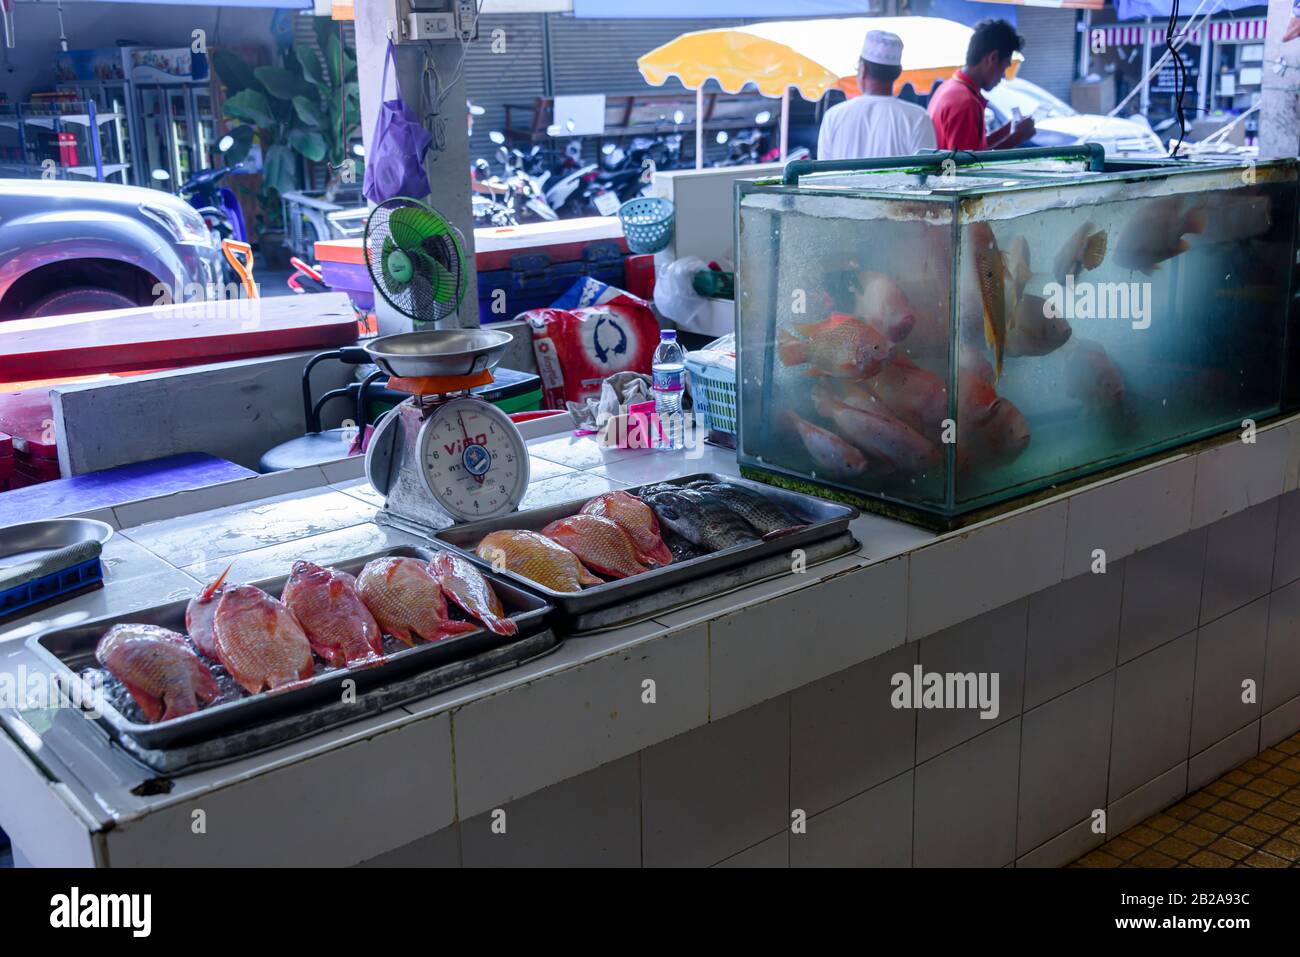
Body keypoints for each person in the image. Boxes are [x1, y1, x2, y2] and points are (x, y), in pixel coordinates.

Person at [817, 29, 937, 160]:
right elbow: (928, 169)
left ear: (862, 69)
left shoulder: (833, 116)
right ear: (898, 73)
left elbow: (822, 169)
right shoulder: (918, 118)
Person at [928, 19, 1036, 152]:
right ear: (993, 58)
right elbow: (968, 163)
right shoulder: (966, 102)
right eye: (1005, 67)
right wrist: (1017, 137)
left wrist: (1007, 130)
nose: (1003, 76)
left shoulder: (951, 87)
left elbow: (976, 149)